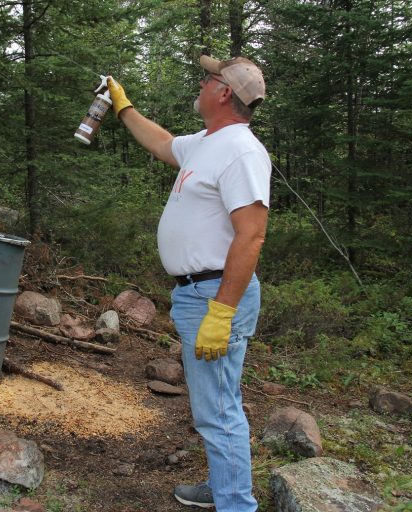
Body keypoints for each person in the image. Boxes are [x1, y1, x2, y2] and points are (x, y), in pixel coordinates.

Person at [107, 55, 270, 512]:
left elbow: (251, 233)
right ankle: (225, 488)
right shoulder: (206, 143)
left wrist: (223, 311)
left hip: (216, 296)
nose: (201, 82)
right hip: (197, 294)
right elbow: (161, 143)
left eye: (209, 78)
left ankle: (235, 503)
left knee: (217, 413)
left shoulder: (242, 150)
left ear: (223, 94)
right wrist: (123, 106)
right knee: (217, 405)